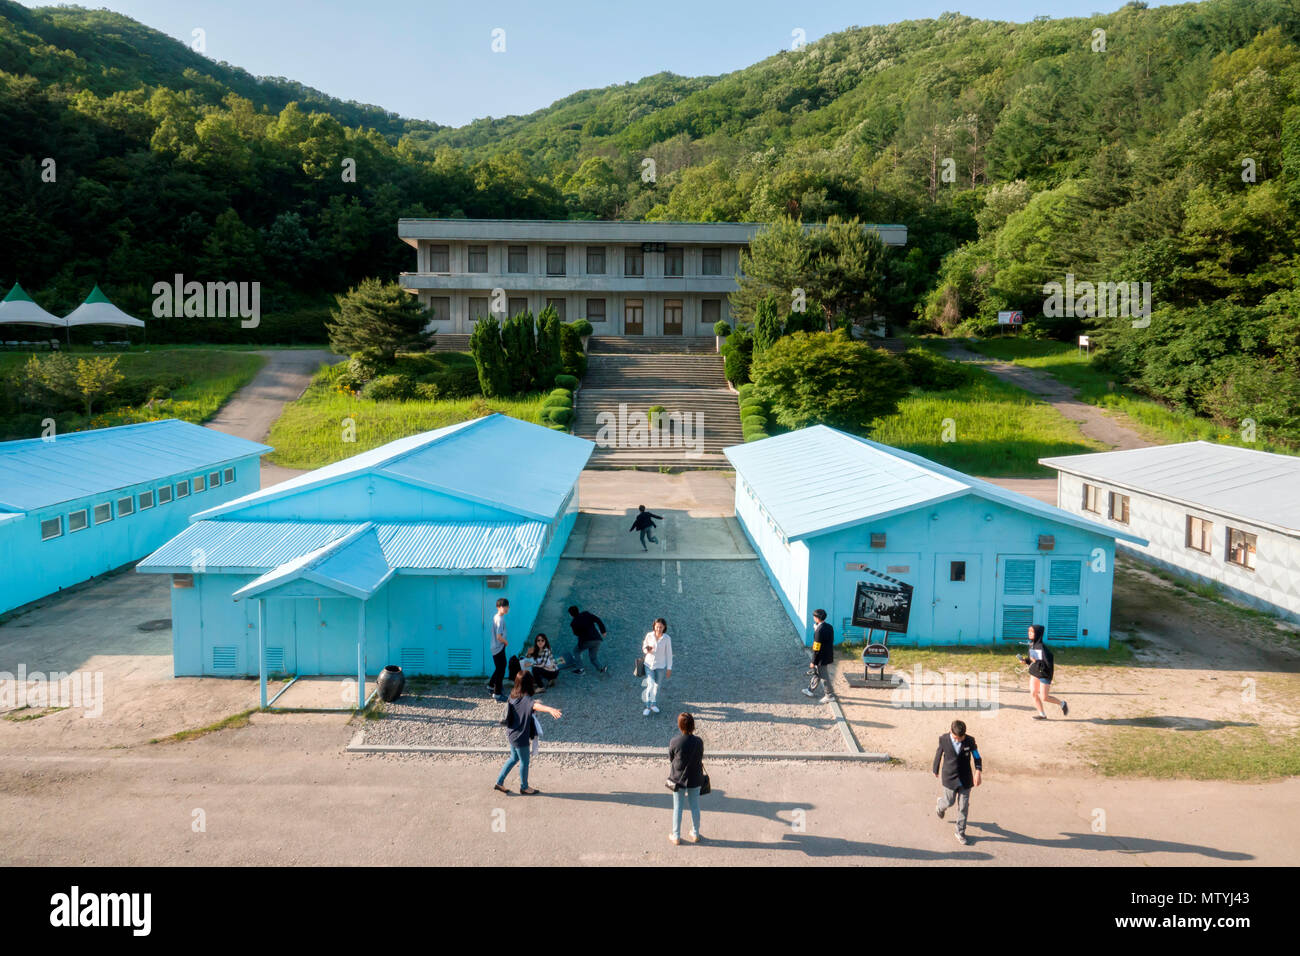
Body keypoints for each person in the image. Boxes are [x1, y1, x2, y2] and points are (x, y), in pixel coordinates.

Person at [494, 671, 562, 796]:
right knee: (524, 762)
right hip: (520, 736)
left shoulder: (513, 695)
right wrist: (550, 709)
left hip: (511, 733)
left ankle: (499, 782)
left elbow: (530, 705)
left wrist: (539, 705)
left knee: (513, 758)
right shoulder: (526, 700)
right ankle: (524, 787)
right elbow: (535, 706)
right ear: (529, 684)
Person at [933, 719, 982, 845]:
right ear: (951, 731)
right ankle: (940, 805)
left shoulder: (970, 741)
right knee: (949, 801)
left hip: (966, 779)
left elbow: (976, 756)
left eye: (961, 738)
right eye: (956, 738)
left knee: (963, 806)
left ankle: (960, 831)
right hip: (949, 777)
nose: (958, 740)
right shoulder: (944, 739)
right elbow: (939, 753)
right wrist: (935, 768)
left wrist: (978, 771)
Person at [667, 712, 705, 845]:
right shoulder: (699, 741)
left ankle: (676, 835)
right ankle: (695, 833)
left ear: (679, 726)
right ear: (693, 725)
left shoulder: (674, 741)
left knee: (678, 807)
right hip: (695, 778)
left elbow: (671, 759)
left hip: (677, 780)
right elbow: (700, 757)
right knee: (695, 806)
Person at [1018, 624, 1068, 719]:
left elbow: (1048, 663)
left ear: (1038, 633)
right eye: (1029, 631)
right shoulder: (1032, 644)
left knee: (1045, 697)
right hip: (1035, 672)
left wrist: (1035, 662)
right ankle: (1042, 714)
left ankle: (1062, 703)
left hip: (1044, 674)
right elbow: (1032, 658)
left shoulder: (1041, 647)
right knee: (1033, 693)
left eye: (1032, 632)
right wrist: (1025, 661)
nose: (1029, 633)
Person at [641, 617, 673, 716]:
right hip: (649, 665)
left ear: (664, 627)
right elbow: (644, 648)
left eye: (661, 627)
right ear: (654, 626)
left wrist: (669, 668)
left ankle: (654, 704)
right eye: (657, 627)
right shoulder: (649, 635)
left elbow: (669, 654)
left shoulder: (667, 638)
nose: (659, 629)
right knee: (650, 685)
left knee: (657, 687)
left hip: (660, 666)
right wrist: (647, 650)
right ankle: (648, 706)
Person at [801, 608, 834, 703]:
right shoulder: (829, 627)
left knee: (823, 676)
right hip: (827, 655)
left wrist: (813, 661)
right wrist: (817, 628)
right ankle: (810, 690)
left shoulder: (819, 631)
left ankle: (829, 695)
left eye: (814, 616)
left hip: (820, 658)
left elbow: (816, 648)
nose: (813, 618)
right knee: (817, 673)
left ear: (817, 618)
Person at [563, 605, 608, 675]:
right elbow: (598, 620)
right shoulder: (586, 614)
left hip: (586, 641)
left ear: (571, 614)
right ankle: (601, 669)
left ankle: (581, 669)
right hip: (597, 639)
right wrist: (603, 631)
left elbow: (576, 634)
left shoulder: (573, 623)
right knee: (593, 657)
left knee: (576, 651)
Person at [487, 597, 509, 702]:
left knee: (499, 667)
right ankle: (497, 693)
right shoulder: (500, 619)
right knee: (501, 669)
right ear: (498, 607)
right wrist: (505, 642)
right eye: (504, 606)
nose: (506, 608)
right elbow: (499, 637)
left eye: (507, 606)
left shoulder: (497, 617)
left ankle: (491, 685)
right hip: (498, 647)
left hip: (496, 647)